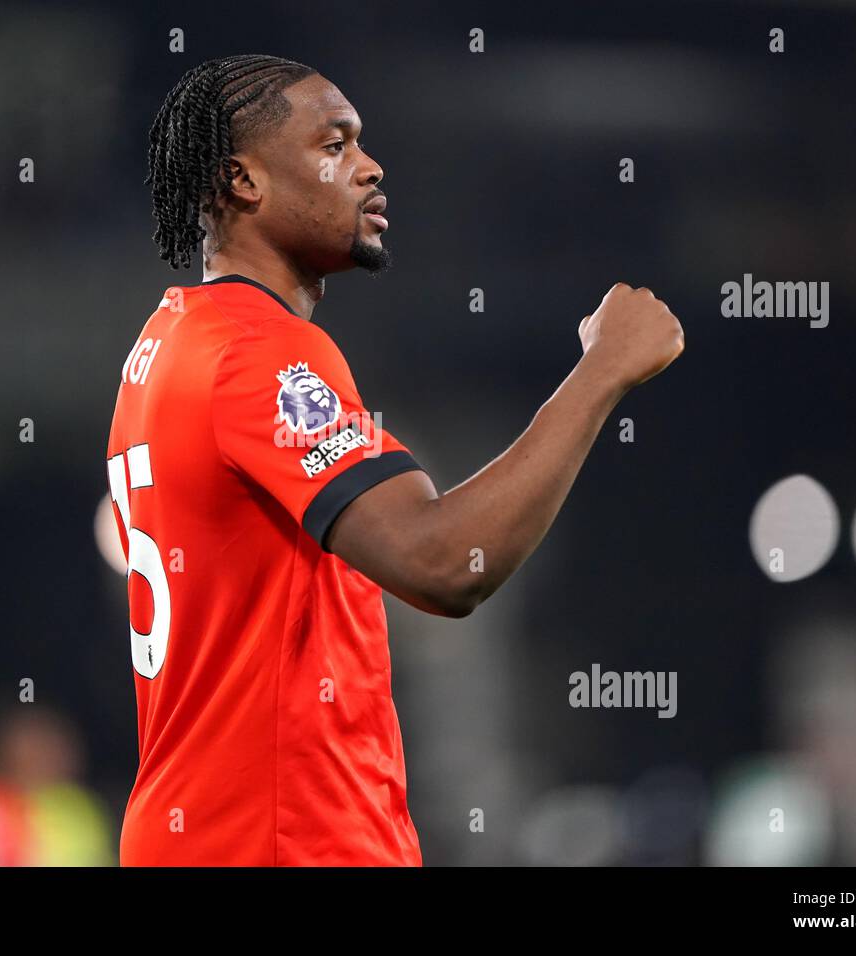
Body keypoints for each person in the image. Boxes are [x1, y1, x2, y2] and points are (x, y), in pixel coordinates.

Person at [106, 54, 684, 865]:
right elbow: (443, 563)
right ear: (243, 179)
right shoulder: (258, 352)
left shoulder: (168, 341)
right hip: (284, 844)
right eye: (333, 144)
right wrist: (602, 372)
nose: (370, 166)